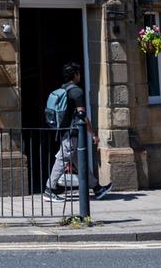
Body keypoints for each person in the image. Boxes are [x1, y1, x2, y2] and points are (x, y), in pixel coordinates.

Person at [44, 62, 111, 198]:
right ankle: (49, 189)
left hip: (63, 130)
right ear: (75, 74)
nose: (80, 75)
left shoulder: (64, 89)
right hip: (72, 131)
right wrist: (93, 134)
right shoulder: (76, 92)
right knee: (63, 158)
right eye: (78, 72)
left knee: (78, 161)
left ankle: (97, 188)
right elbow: (82, 115)